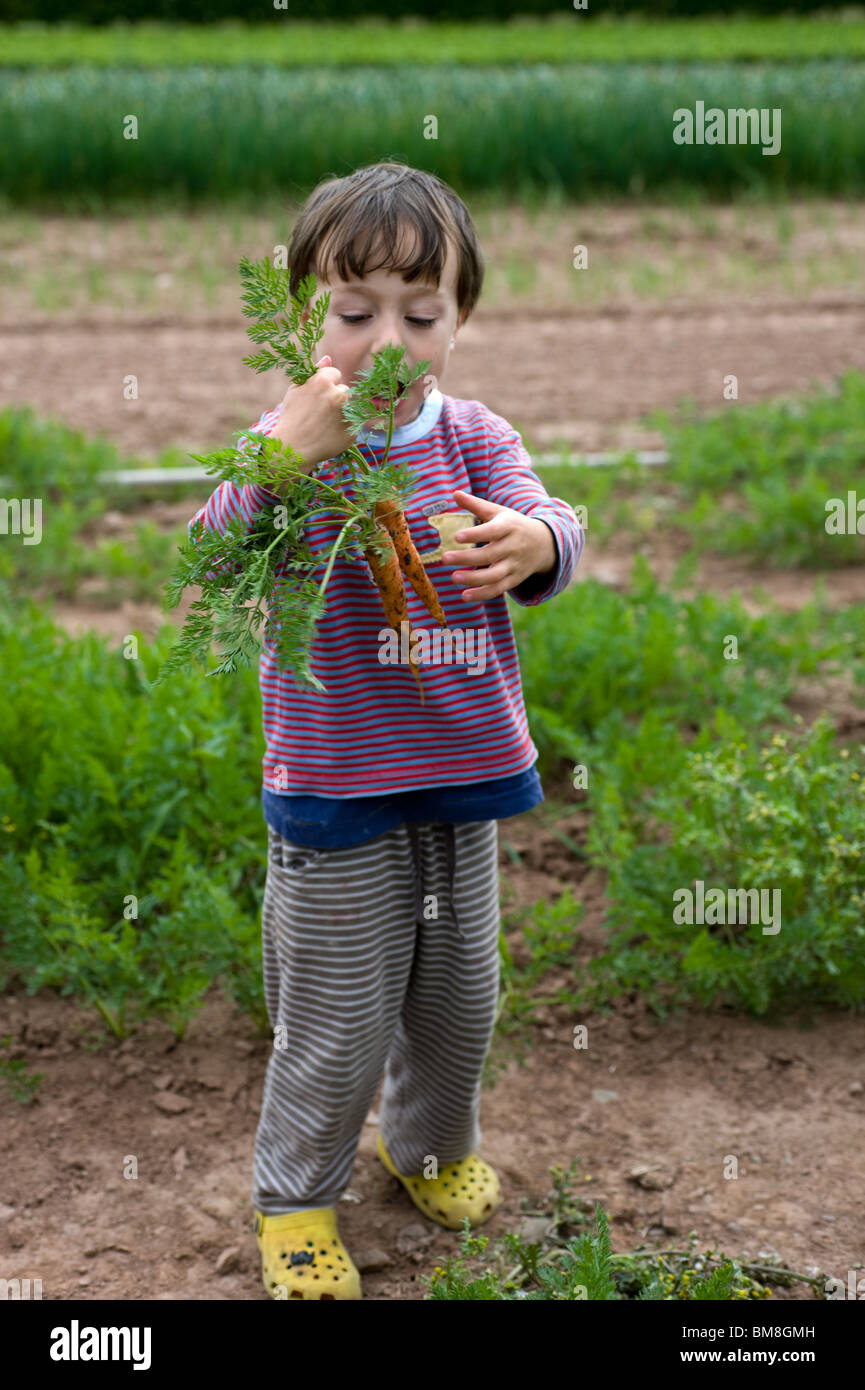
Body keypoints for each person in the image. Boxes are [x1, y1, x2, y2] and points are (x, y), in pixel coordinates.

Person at [188, 160, 584, 1300]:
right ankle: (297, 1199)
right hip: (336, 787)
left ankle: (425, 1148)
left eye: (422, 312)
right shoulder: (288, 448)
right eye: (355, 314)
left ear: (461, 317)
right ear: (307, 320)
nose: (388, 343)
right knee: (337, 1018)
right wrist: (281, 457)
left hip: (463, 779)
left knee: (461, 1002)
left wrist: (536, 544)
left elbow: (557, 513)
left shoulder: (474, 439)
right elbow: (213, 557)